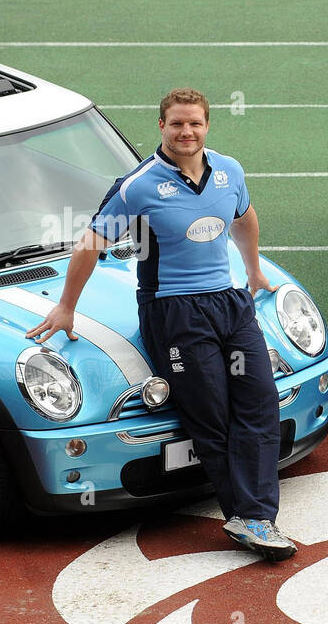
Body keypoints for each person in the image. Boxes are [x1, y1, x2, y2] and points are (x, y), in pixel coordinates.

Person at [27, 88, 296, 561]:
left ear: (207, 125)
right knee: (211, 416)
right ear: (161, 127)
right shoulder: (139, 186)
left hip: (229, 304)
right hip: (173, 312)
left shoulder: (229, 170)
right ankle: (250, 517)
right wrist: (67, 306)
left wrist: (253, 270)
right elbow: (90, 242)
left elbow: (245, 217)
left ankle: (253, 515)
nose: (186, 132)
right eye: (176, 124)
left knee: (259, 403)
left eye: (194, 123)